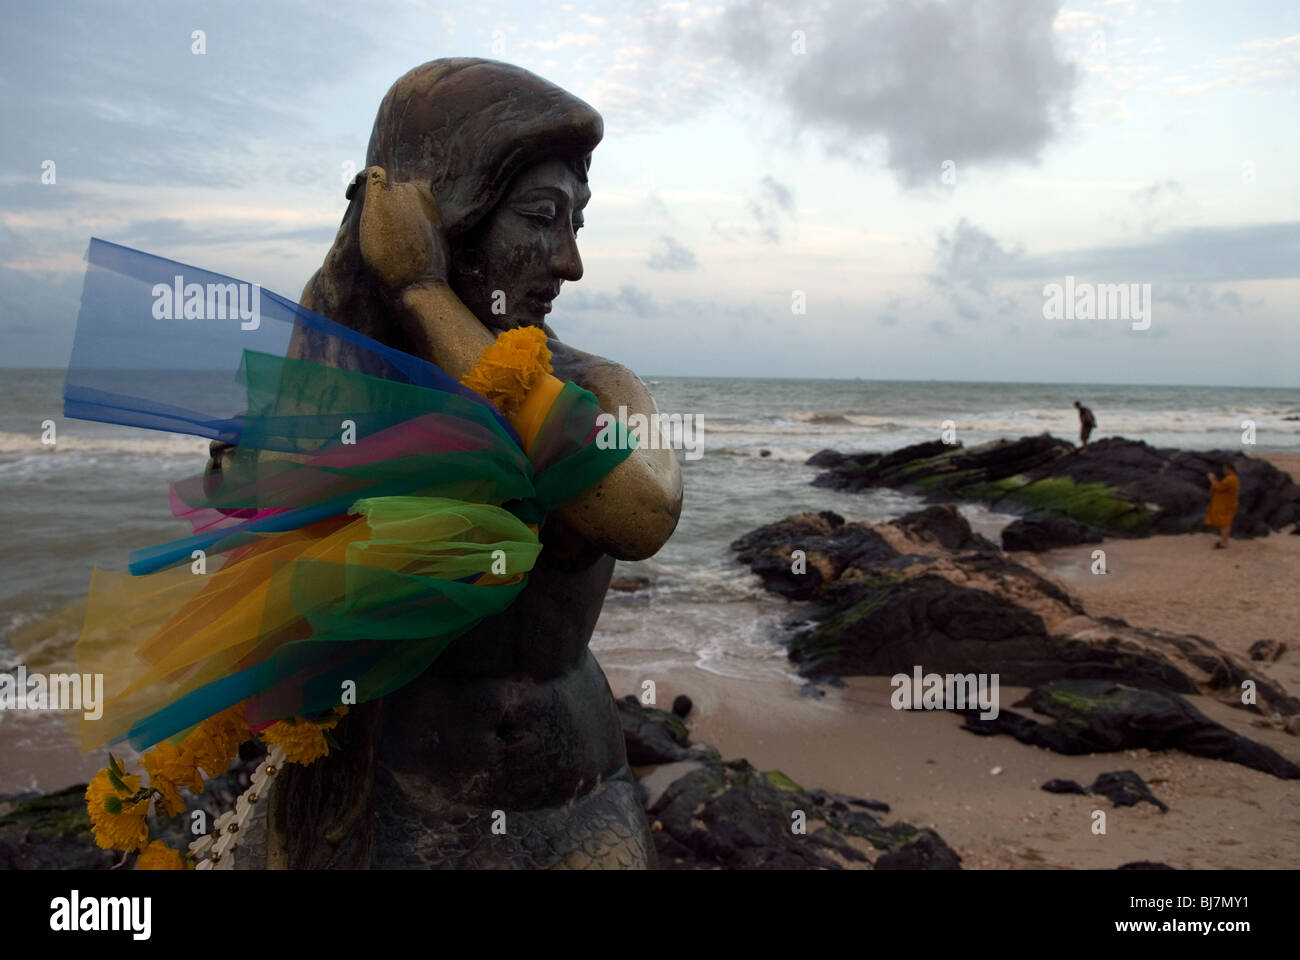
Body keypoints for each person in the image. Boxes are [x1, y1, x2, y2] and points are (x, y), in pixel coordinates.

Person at [1205, 464, 1239, 549]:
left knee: (1225, 523)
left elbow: (1219, 488)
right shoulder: (1232, 478)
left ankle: (1224, 543)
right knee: (1225, 523)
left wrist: (1212, 479)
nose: (1224, 471)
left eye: (1225, 469)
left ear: (1230, 469)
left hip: (1226, 504)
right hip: (1228, 503)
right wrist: (1215, 480)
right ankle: (1224, 541)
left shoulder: (1231, 479)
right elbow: (1220, 487)